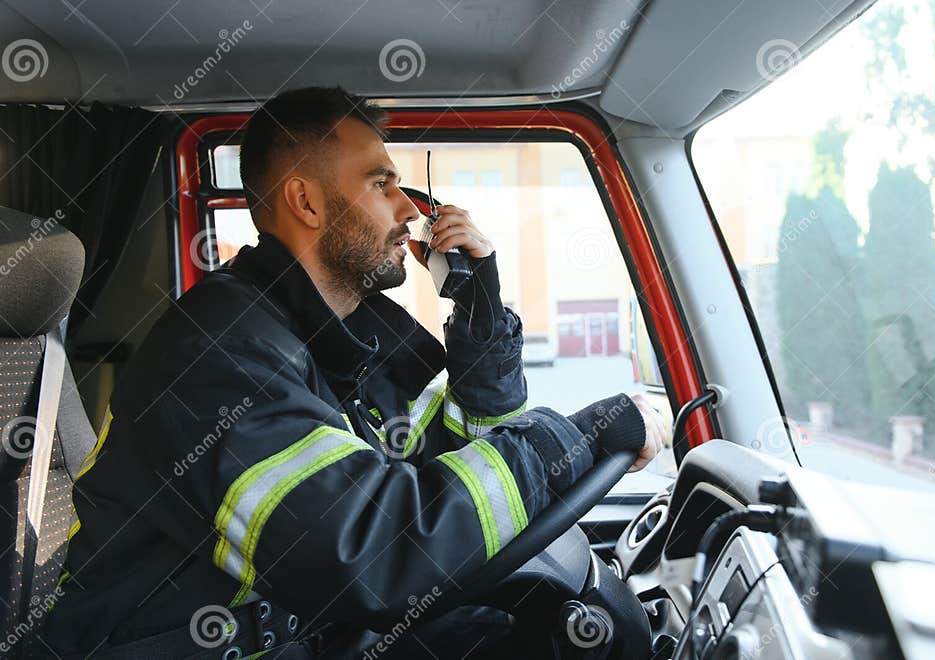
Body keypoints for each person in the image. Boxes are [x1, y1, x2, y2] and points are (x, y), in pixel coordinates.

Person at [44, 86, 667, 659]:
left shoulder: (342, 331)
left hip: (305, 630)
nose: (409, 209)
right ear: (307, 201)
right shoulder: (218, 356)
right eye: (380, 183)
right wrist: (582, 438)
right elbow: (375, 554)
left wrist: (477, 315)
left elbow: (459, 455)